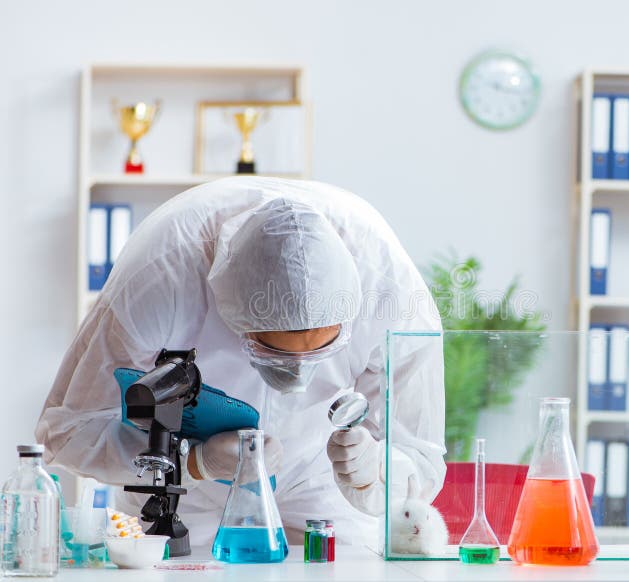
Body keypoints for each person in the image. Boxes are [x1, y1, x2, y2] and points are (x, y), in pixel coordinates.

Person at [36, 176, 446, 545]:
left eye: (321, 350)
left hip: (322, 481)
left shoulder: (391, 290)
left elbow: (420, 459)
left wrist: (376, 471)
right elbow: (67, 430)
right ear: (234, 318)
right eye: (273, 352)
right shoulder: (160, 275)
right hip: (184, 498)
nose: (299, 376)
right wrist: (191, 463)